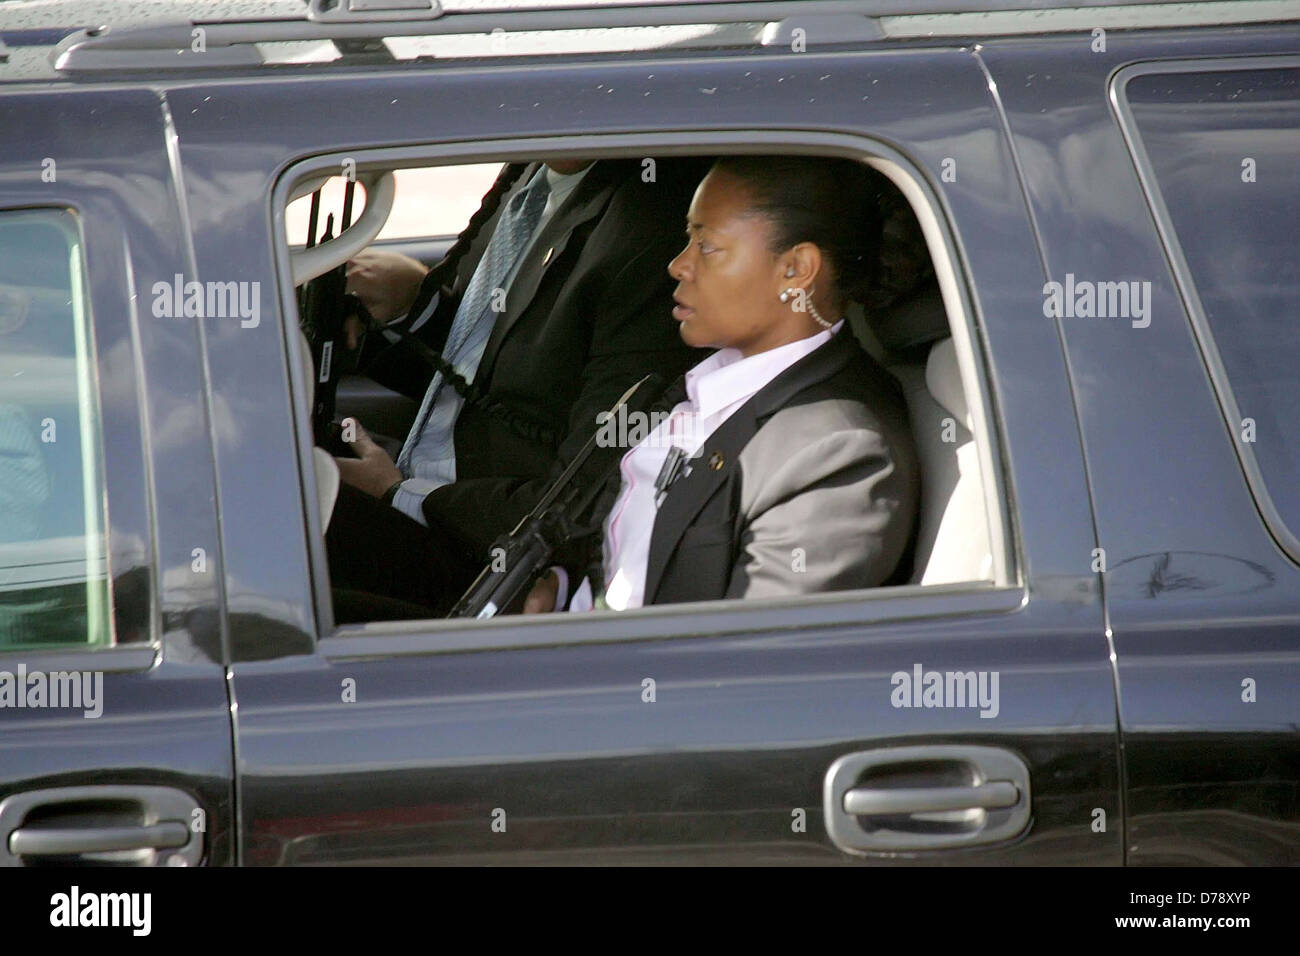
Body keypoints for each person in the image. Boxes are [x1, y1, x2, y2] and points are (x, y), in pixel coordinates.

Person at [522, 155, 921, 614]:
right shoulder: (703, 380)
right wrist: (564, 586)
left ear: (796, 269)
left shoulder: (838, 453)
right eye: (687, 241)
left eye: (706, 246)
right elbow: (620, 533)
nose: (677, 265)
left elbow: (746, 664)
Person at [323, 157, 711, 619]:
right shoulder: (535, 171)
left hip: (483, 562)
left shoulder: (649, 228)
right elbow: (490, 372)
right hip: (433, 490)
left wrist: (396, 491)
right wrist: (412, 309)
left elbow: (582, 500)